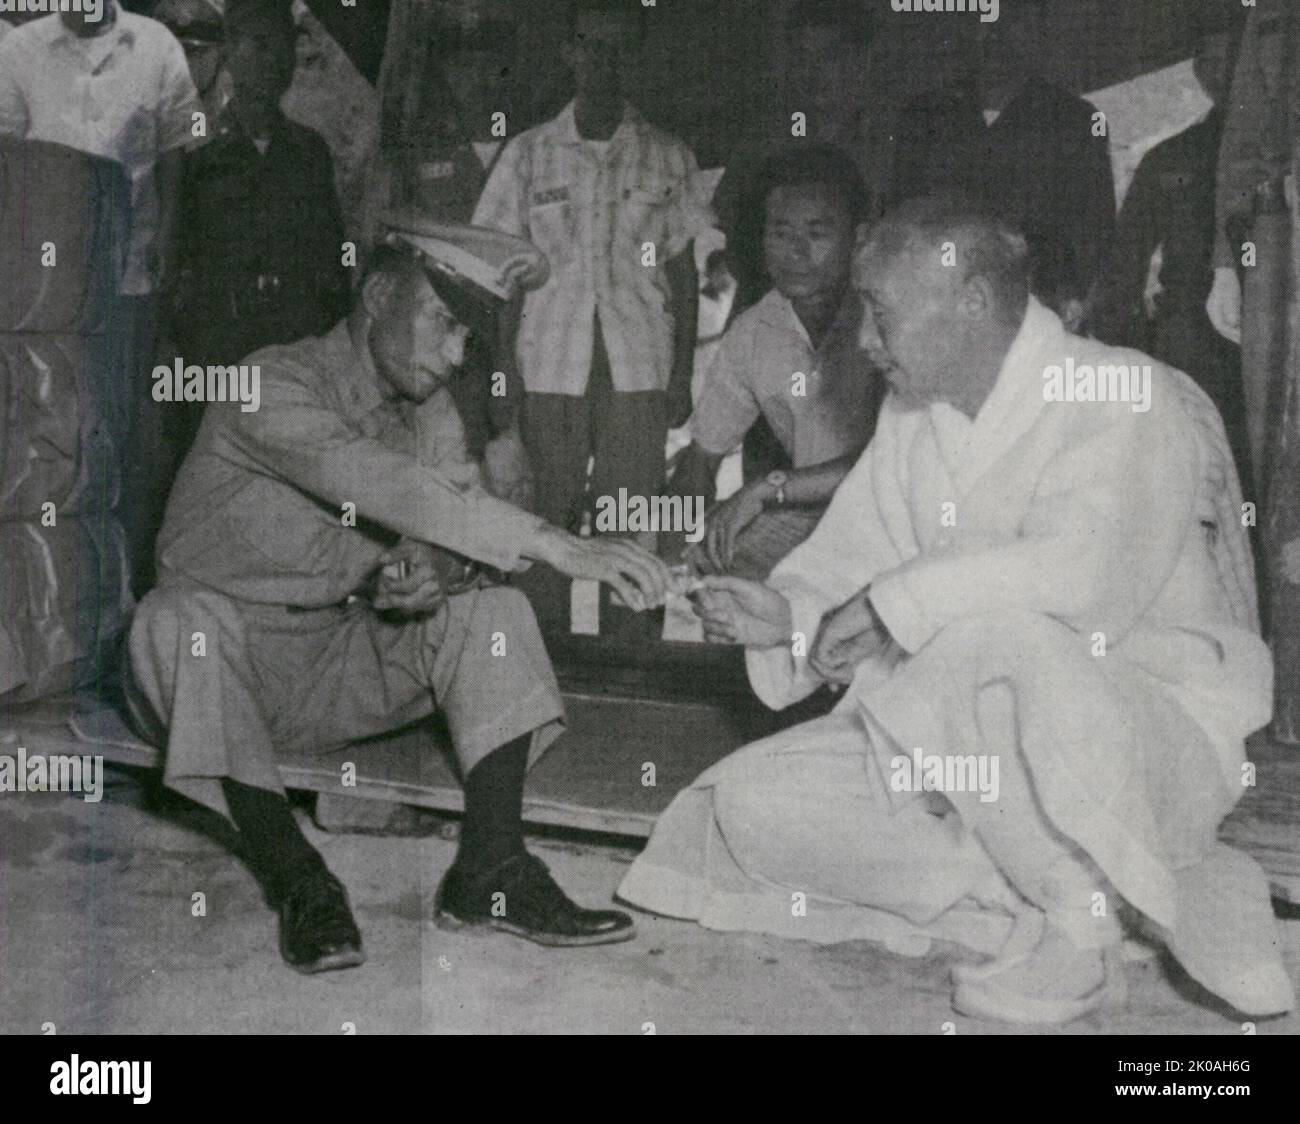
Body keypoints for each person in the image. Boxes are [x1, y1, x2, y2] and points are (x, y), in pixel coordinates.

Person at [619, 194, 1293, 1025]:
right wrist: (784, 617)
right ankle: (1097, 881)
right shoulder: (914, 416)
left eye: (879, 312)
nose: (862, 340)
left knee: (992, 635)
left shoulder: (1123, 391)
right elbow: (850, 563)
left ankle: (1082, 920)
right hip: (976, 765)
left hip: (1141, 736)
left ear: (971, 302)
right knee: (747, 809)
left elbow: (1081, 579)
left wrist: (897, 602)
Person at [127, 216, 673, 974]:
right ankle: (300, 881)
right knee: (173, 621)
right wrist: (557, 542)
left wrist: (432, 573)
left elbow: (454, 531)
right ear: (379, 293)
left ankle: (491, 872)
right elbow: (379, 481)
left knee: (495, 612)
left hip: (333, 663)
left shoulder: (429, 415)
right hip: (221, 674)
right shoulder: (269, 382)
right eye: (444, 321)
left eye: (468, 339)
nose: (455, 354)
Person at [472, 1, 710, 636]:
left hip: (638, 370)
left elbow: (683, 279)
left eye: (618, 48)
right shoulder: (526, 155)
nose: (602, 62)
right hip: (546, 366)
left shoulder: (668, 157)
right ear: (568, 52)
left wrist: (682, 374)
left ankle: (627, 658)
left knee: (631, 520)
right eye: (589, 46)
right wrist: (503, 382)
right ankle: (536, 653)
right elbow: (498, 282)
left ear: (636, 56)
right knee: (540, 518)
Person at [0, 0, 202, 594]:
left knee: (116, 435)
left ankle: (112, 594)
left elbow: (175, 152)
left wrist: (163, 237)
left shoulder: (160, 46)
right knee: (38, 431)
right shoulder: (18, 49)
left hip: (127, 283)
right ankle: (36, 591)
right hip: (37, 290)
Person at [672, 145, 885, 580]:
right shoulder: (754, 332)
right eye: (781, 232)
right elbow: (701, 460)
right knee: (721, 570)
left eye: (817, 233)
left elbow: (895, 460)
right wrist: (667, 551)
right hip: (806, 515)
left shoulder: (889, 315)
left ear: (859, 239)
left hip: (895, 511)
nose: (796, 253)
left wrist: (766, 491)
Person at [169, 0, 350, 467]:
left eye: (286, 45)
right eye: (260, 43)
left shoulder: (309, 152)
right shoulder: (193, 148)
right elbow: (168, 262)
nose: (276, 59)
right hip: (213, 358)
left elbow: (331, 270)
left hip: (292, 356)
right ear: (230, 50)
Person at [1091, 16, 1251, 492]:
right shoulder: (1171, 158)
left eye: (1231, 60)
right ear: (1199, 71)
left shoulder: (1279, 156)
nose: (1219, 73)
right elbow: (1125, 266)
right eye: (1209, 60)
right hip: (1190, 337)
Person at [890, 0, 1114, 332]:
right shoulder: (925, 116)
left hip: (1037, 308)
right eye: (984, 21)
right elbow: (902, 220)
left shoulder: (1074, 119)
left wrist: (1072, 305)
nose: (995, 36)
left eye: (1012, 22)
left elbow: (1094, 234)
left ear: (1036, 31)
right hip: (945, 304)